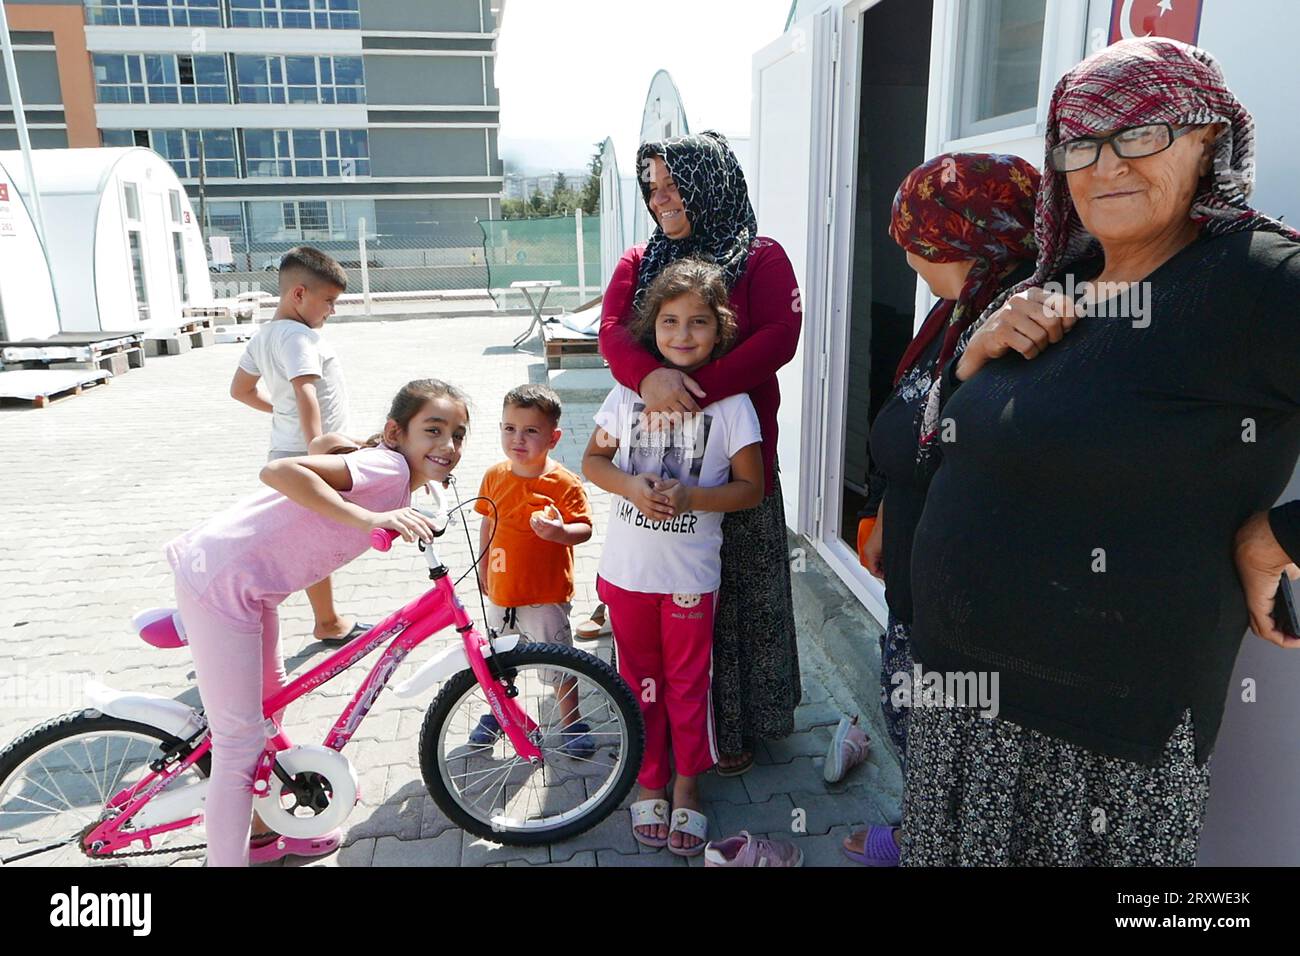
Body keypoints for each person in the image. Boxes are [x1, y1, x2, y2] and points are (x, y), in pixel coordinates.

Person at [899, 38, 1300, 866]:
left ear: (1209, 142)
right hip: (961, 705)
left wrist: (1281, 538)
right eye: (1079, 143)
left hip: (1100, 740)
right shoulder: (1058, 281)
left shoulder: (1259, 278)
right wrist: (974, 361)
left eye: (1141, 134)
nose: (1105, 164)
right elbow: (939, 450)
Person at [164, 379, 470, 866]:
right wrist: (365, 518)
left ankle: (265, 832)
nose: (448, 445)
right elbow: (280, 470)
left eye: (458, 435)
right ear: (395, 432)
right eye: (432, 430)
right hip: (223, 584)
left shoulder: (390, 471)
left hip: (247, 586)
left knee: (271, 703)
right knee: (239, 744)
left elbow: (326, 447)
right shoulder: (386, 465)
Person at [839, 153, 1041, 866]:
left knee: (944, 738)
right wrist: (887, 508)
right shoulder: (960, 312)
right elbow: (914, 424)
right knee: (913, 722)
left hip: (964, 598)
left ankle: (928, 840)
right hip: (917, 564)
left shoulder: (1022, 323)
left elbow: (969, 439)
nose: (910, 258)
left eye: (918, 243)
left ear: (966, 241)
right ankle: (923, 829)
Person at [599, 130, 801, 776]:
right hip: (654, 473)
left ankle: (740, 725)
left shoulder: (762, 258)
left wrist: (689, 391)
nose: (660, 198)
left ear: (709, 181)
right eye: (651, 186)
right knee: (671, 603)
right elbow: (610, 333)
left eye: (673, 183)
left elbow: (777, 338)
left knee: (741, 592)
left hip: (735, 460)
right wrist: (645, 381)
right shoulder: (639, 261)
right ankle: (663, 735)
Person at [585, 258, 764, 856]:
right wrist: (632, 487)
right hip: (627, 574)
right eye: (669, 321)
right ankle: (648, 779)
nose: (683, 334)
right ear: (650, 328)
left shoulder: (733, 405)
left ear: (720, 331)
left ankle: (687, 785)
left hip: (691, 576)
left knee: (688, 684)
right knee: (641, 683)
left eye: (698, 322)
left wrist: (692, 496)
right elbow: (593, 463)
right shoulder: (624, 394)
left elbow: (751, 489)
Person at [229, 247, 362, 645]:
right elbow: (305, 391)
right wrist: (316, 443)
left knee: (311, 539)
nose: (332, 312)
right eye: (329, 302)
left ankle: (328, 621)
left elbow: (240, 391)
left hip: (289, 452)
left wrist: (281, 415)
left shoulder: (264, 336)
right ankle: (246, 613)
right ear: (299, 295)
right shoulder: (298, 336)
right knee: (310, 542)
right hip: (309, 458)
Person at [469, 384, 595, 753]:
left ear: (554, 437)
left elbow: (584, 529)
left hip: (545, 594)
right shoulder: (494, 475)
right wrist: (482, 566)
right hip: (503, 591)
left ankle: (571, 723)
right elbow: (487, 522)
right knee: (495, 660)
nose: (517, 439)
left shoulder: (564, 483)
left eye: (530, 431)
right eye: (509, 428)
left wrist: (560, 532)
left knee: (558, 664)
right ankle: (500, 714)